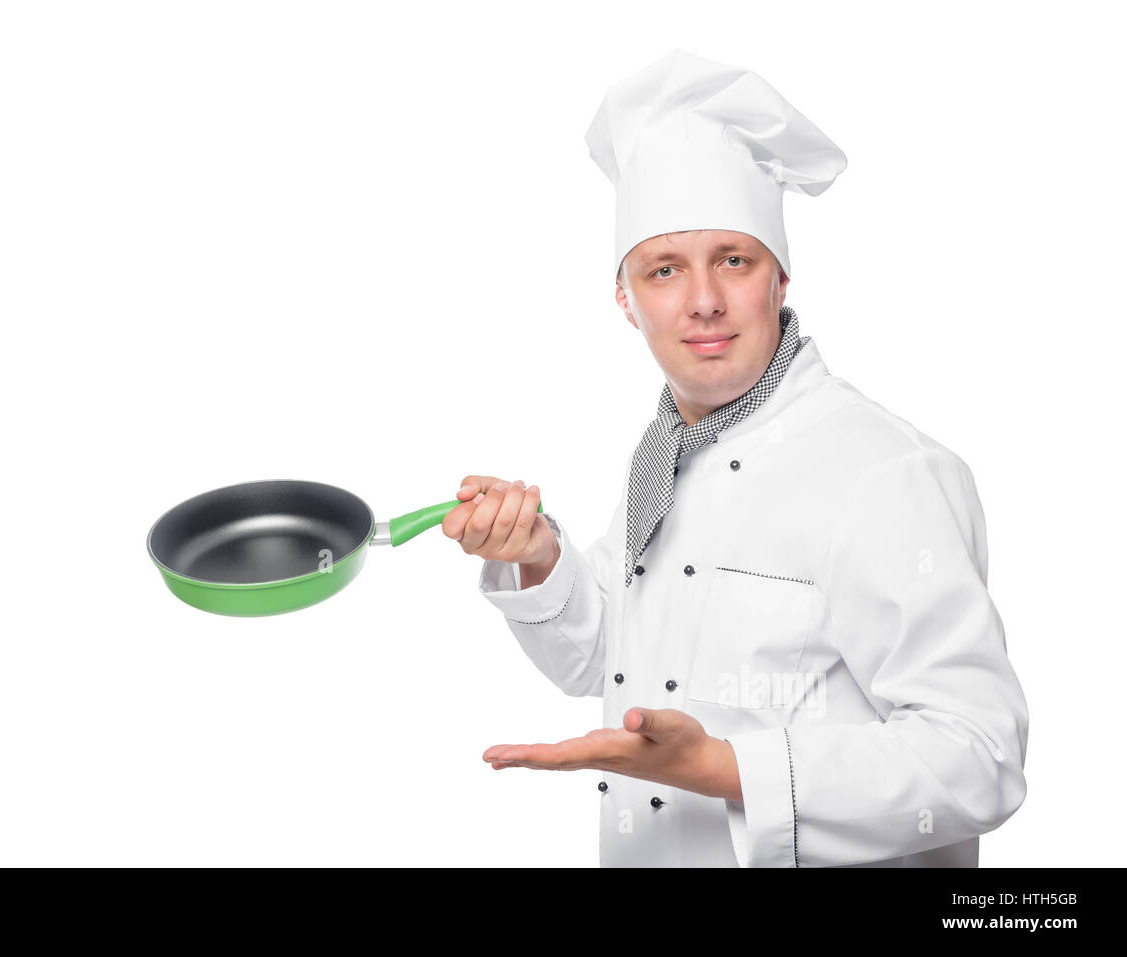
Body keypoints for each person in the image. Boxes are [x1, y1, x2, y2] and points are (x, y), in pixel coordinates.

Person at [440, 49, 1029, 868]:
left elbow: (981, 756)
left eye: (734, 259)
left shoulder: (887, 474)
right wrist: (539, 560)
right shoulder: (664, 451)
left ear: (779, 278)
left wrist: (725, 768)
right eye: (664, 269)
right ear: (625, 299)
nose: (703, 299)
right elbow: (609, 662)